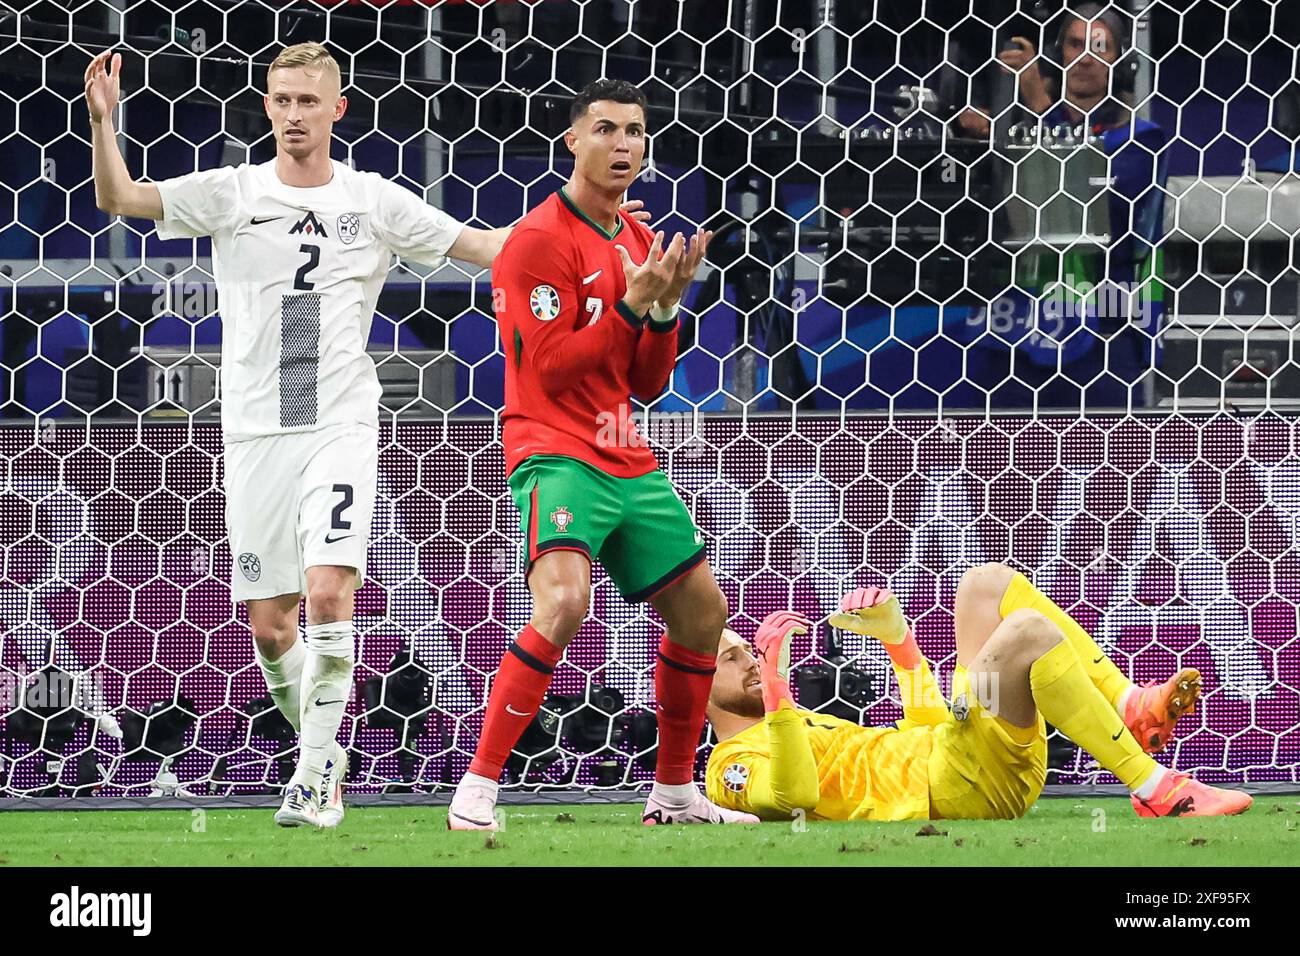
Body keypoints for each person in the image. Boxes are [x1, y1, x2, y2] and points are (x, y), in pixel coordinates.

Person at [85, 43, 650, 828]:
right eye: (281, 100)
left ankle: (314, 781)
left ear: (338, 109)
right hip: (253, 428)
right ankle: (327, 752)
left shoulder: (373, 199)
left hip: (340, 420)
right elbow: (119, 198)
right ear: (269, 105)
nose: (292, 115)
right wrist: (104, 120)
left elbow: (491, 247)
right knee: (270, 622)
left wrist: (599, 230)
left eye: (309, 102)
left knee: (327, 590)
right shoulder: (231, 191)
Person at [447, 79, 755, 830]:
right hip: (554, 447)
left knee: (703, 612)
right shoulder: (536, 242)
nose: (624, 144)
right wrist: (627, 303)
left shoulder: (638, 241)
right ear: (573, 142)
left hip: (624, 447)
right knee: (563, 602)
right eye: (607, 129)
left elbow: (647, 382)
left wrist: (667, 305)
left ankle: (676, 793)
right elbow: (549, 369)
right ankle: (478, 789)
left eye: (637, 132)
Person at [705, 563, 1252, 821]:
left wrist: (899, 642)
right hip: (958, 787)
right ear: (694, 690)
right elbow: (792, 797)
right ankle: (1159, 788)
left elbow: (923, 727)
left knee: (985, 585)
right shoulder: (731, 763)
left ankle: (1128, 704)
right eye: (732, 659)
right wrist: (778, 693)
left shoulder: (803, 721)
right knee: (1027, 635)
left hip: (964, 752)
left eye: (748, 651)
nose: (753, 660)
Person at [962, 4, 1169, 410]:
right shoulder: (1012, 133)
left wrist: (1039, 102)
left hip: (1104, 335)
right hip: (1010, 332)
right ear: (1061, 55)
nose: (1087, 57)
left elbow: (1079, 197)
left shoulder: (1143, 140)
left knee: (1108, 470)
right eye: (1076, 44)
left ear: (1122, 61)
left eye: (1100, 45)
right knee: (998, 467)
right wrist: (982, 138)